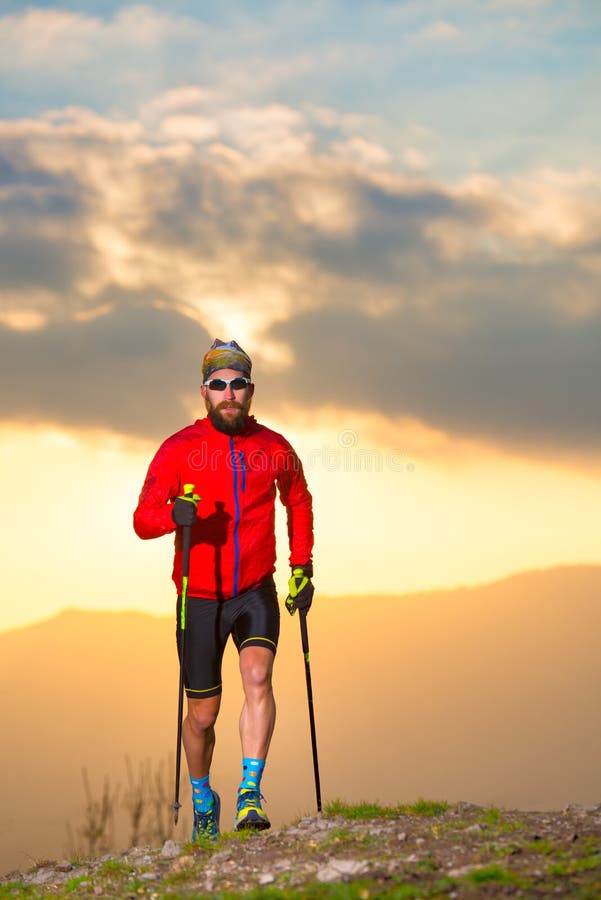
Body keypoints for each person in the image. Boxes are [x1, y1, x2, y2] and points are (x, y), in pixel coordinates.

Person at [133, 338, 314, 840]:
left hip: (255, 588)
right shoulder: (178, 449)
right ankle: (202, 796)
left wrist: (303, 566)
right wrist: (174, 515)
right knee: (202, 715)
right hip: (200, 595)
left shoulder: (274, 447)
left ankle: (249, 793)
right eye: (219, 385)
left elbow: (298, 500)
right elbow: (142, 520)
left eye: (237, 384)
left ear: (251, 391)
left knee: (258, 676)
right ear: (204, 392)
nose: (228, 393)